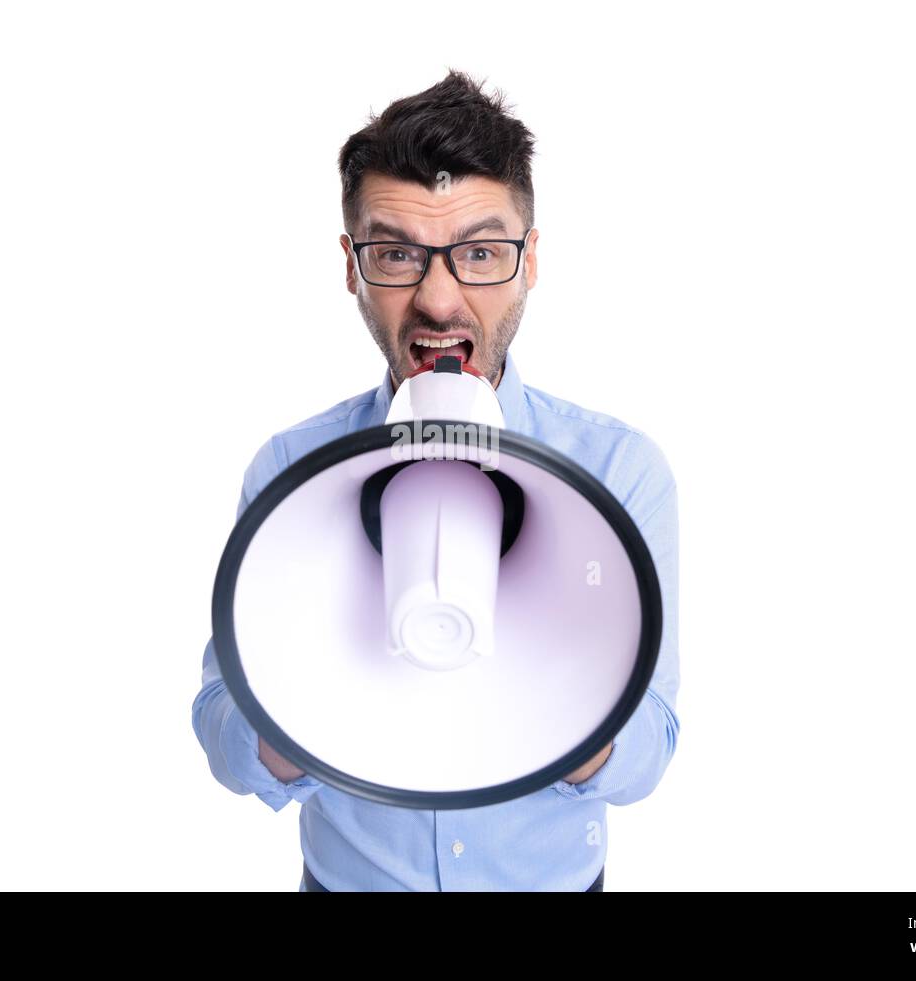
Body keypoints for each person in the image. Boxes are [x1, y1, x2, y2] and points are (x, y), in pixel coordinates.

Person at [191, 69, 679, 891]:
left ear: (530, 263)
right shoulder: (289, 471)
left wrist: (564, 673)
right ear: (352, 267)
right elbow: (221, 737)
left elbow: (649, 754)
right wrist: (297, 680)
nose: (441, 299)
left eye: (481, 253)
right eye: (397, 255)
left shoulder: (619, 470)